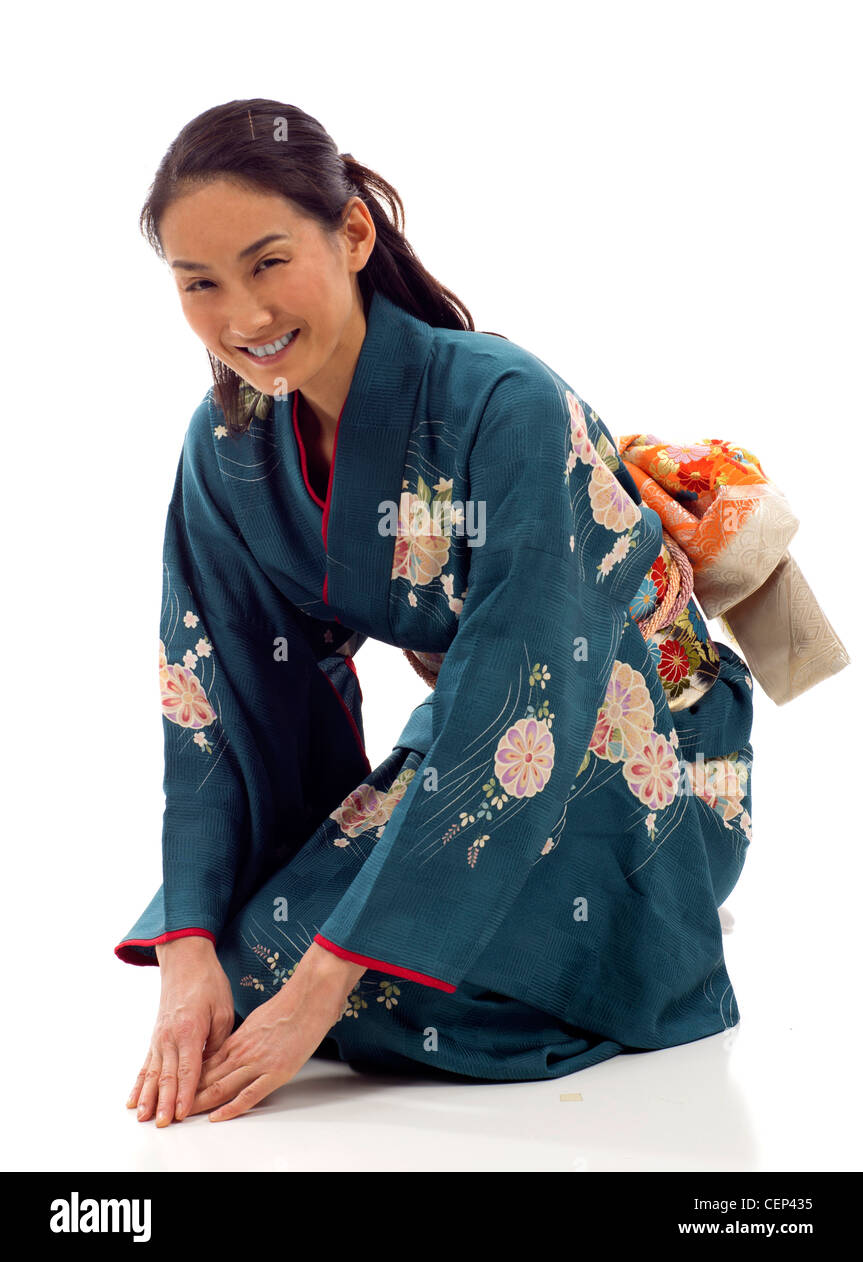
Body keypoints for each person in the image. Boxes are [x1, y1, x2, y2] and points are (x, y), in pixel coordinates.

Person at [118, 98, 756, 1126]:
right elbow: (215, 701)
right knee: (249, 954)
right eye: (199, 283)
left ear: (353, 234)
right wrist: (188, 953)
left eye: (267, 262)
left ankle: (639, 927)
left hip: (640, 749)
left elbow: (523, 690)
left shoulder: (504, 403)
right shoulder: (229, 440)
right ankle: (482, 945)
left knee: (331, 977)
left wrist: (324, 983)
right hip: (476, 743)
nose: (240, 317)